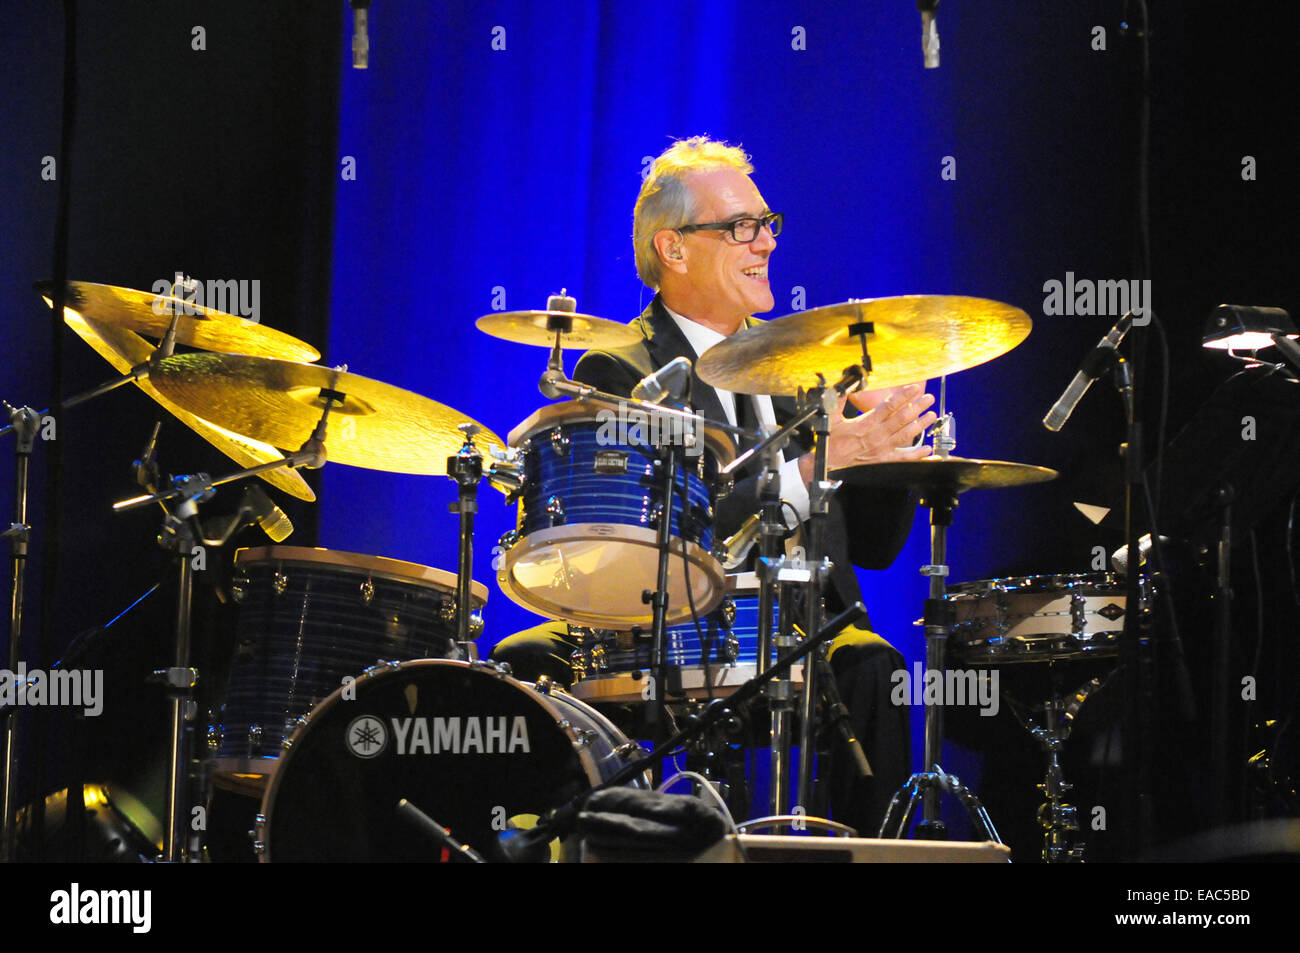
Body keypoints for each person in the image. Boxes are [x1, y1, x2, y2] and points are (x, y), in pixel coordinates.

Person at [492, 136, 936, 831]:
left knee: (872, 662)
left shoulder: (802, 362)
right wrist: (821, 464)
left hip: (797, 626)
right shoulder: (621, 369)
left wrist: (887, 450)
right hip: (657, 627)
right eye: (740, 227)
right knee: (519, 660)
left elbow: (875, 549)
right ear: (673, 250)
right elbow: (670, 529)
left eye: (767, 224)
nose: (764, 243)